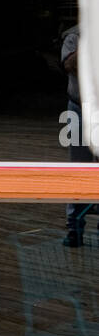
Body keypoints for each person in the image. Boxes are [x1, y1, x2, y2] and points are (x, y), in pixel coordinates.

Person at [62, 24, 96, 246]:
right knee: (78, 170)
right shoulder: (74, 35)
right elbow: (70, 66)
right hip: (78, 109)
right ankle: (74, 227)